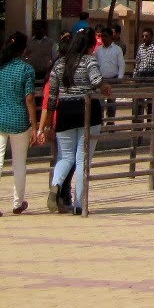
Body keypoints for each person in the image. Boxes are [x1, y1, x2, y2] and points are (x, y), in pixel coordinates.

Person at [45, 28, 103, 215]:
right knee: (83, 159)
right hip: (88, 111)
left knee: (65, 157)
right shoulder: (89, 60)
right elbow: (96, 80)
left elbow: (52, 96)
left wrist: (48, 123)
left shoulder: (60, 63)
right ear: (90, 45)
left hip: (65, 112)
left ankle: (56, 185)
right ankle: (79, 204)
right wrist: (106, 86)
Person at [1, 32, 40, 214]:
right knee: (19, 163)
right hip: (19, 121)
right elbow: (30, 99)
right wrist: (35, 125)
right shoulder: (26, 69)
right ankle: (18, 203)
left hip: (0, 118)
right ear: (24, 49)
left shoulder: (1, 67)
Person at [93, 26, 124, 123]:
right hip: (101, 80)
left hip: (113, 80)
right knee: (100, 103)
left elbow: (121, 64)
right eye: (102, 36)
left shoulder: (117, 49)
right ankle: (100, 122)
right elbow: (95, 65)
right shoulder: (98, 50)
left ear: (111, 37)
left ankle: (111, 122)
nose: (103, 38)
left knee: (111, 104)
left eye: (106, 36)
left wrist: (119, 78)